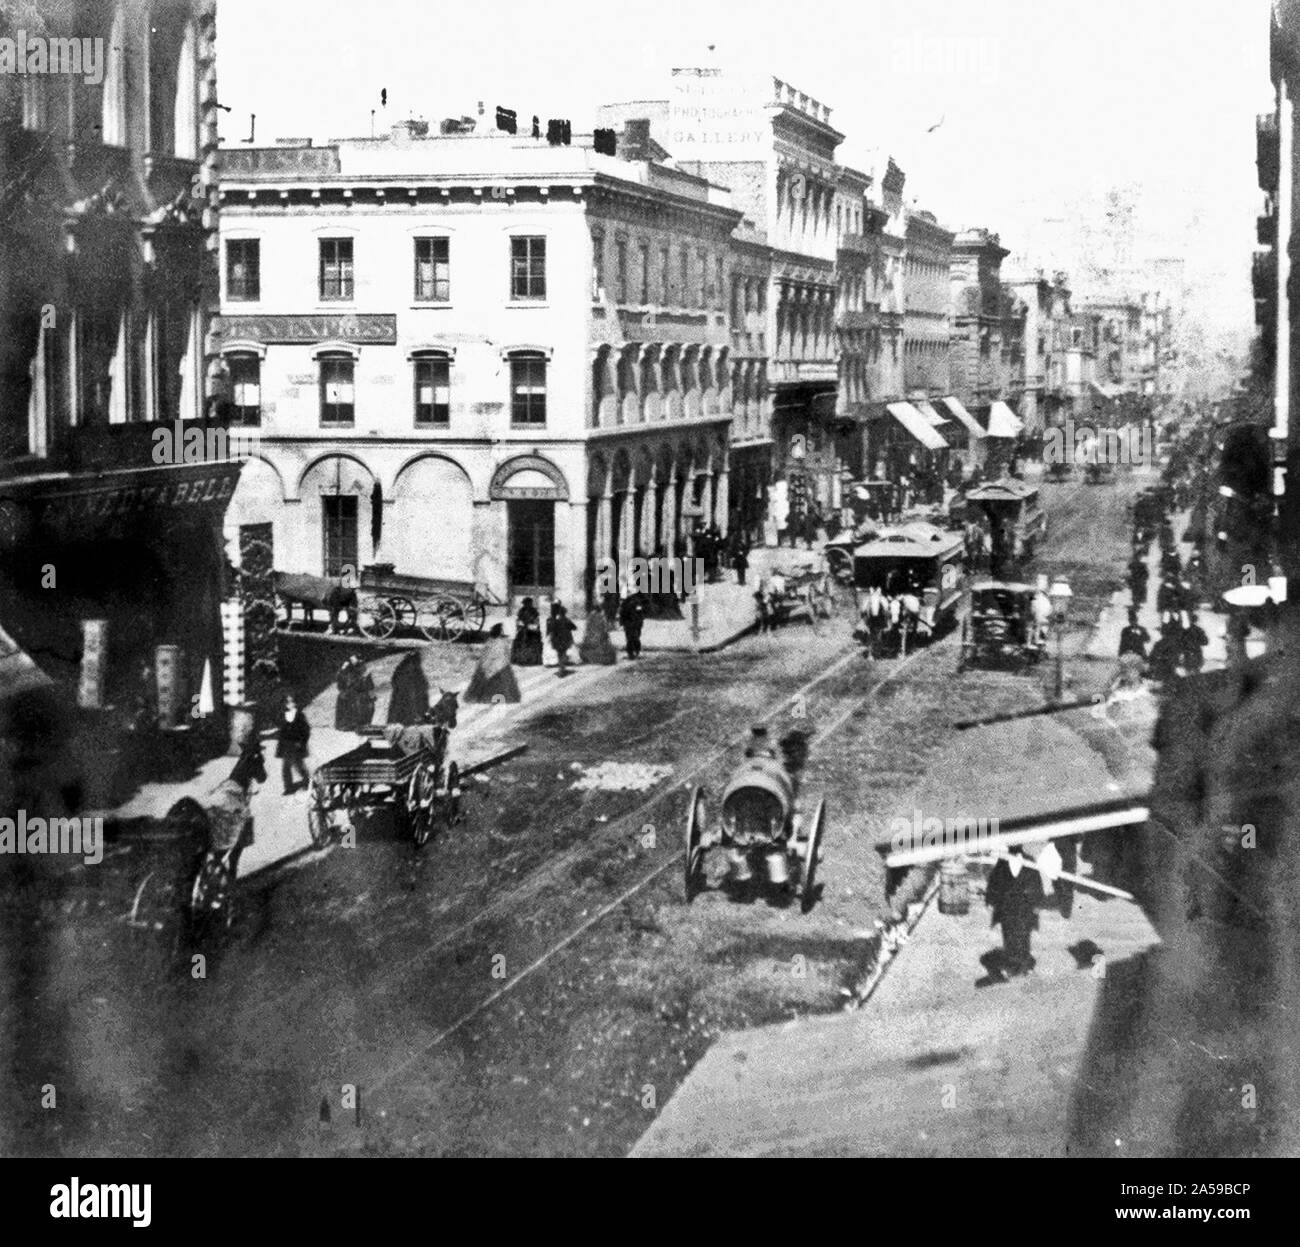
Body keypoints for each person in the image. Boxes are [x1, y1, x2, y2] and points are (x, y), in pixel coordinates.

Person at [984, 848, 1039, 978]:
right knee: (1009, 937)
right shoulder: (1003, 862)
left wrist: (1036, 903)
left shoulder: (1029, 861)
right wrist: (990, 900)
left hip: (1024, 910)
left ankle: (1024, 965)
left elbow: (1037, 883)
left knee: (1024, 937)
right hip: (1007, 910)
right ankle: (1012, 966)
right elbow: (993, 882)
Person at [464, 624, 522, 703]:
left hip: (492, 666)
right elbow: (506, 656)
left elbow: (485, 656)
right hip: (500, 667)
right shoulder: (501, 643)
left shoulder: (489, 643)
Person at [276, 693, 311, 795]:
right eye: (287, 702)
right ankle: (288, 787)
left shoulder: (299, 715)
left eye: (292, 702)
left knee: (299, 765)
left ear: (295, 703)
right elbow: (282, 730)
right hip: (286, 745)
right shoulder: (284, 715)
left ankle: (307, 782)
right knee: (286, 767)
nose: (290, 704)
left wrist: (301, 742)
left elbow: (306, 730)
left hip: (296, 745)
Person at [387, 651, 429, 725]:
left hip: (410, 699)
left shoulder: (414, 670)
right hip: (406, 698)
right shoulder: (407, 669)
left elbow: (423, 684)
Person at [546, 601, 576, 677]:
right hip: (565, 639)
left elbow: (550, 629)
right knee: (563, 653)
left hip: (556, 639)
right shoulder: (566, 620)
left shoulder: (553, 620)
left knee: (560, 654)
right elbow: (574, 627)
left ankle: (561, 668)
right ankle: (562, 668)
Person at [511, 597, 543, 666]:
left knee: (533, 640)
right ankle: (519, 659)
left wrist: (530, 627)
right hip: (523, 630)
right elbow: (518, 621)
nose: (525, 605)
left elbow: (536, 623)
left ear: (530, 604)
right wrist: (521, 626)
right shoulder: (521, 611)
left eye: (527, 603)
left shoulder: (534, 612)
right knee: (519, 640)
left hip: (533, 631)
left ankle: (532, 660)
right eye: (525, 604)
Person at [618, 589, 646, 659]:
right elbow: (622, 613)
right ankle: (630, 653)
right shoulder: (624, 603)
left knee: (635, 638)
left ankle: (636, 651)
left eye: (629, 593)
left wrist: (640, 622)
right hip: (628, 624)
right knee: (629, 639)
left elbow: (640, 613)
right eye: (627, 593)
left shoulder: (637, 602)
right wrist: (621, 623)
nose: (628, 594)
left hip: (635, 623)